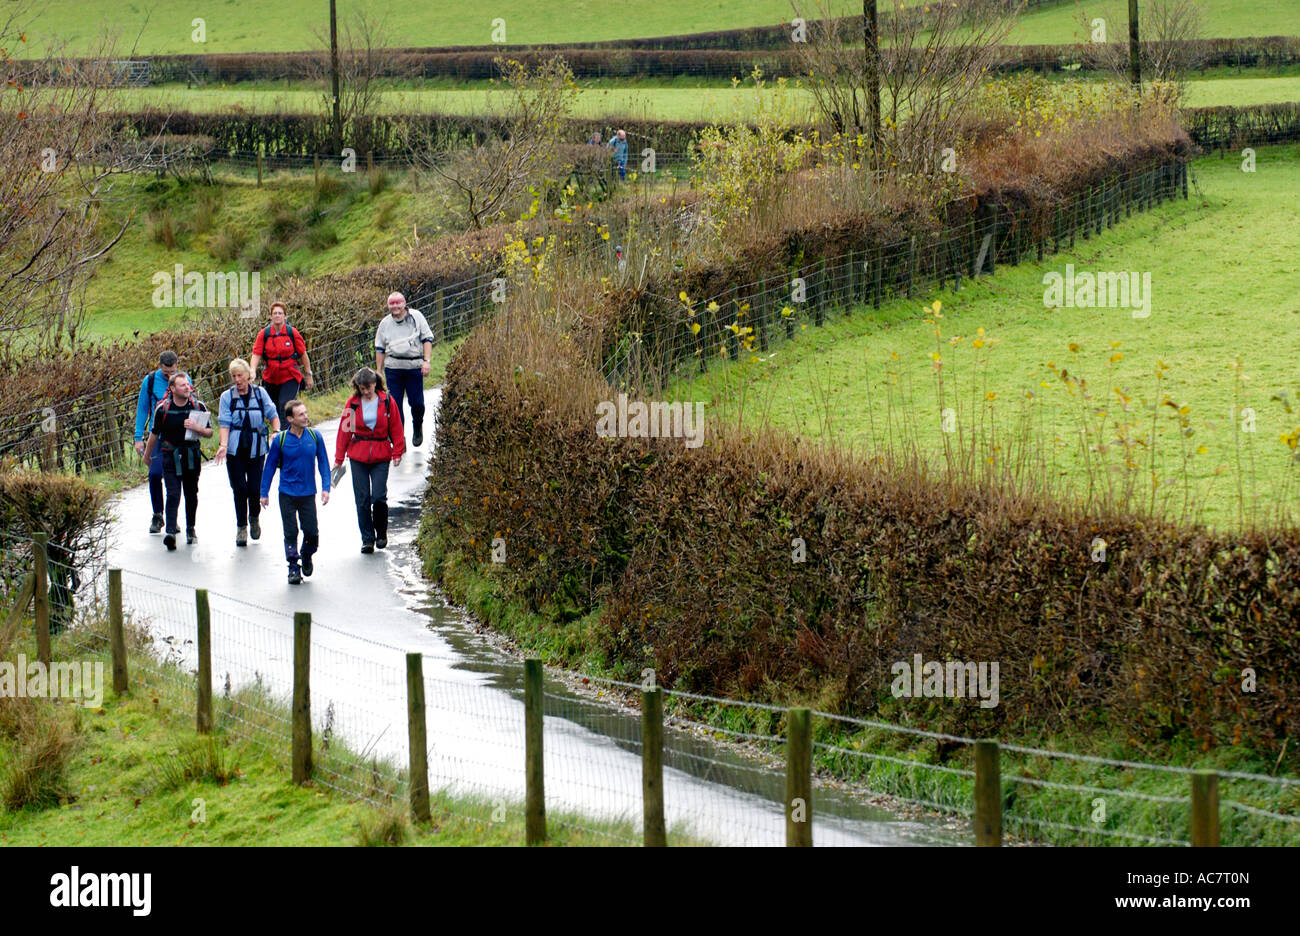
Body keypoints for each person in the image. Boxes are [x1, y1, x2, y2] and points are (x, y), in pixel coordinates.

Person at [260, 399, 331, 585]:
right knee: (290, 532)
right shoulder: (281, 441)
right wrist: (263, 493)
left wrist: (326, 488)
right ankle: (293, 566)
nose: (306, 416)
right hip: (287, 493)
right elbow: (269, 467)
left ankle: (306, 555)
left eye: (306, 413)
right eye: (301, 414)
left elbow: (323, 462)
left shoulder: (315, 437)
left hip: (308, 494)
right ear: (290, 419)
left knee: (312, 534)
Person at [334, 367, 404, 553]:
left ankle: (381, 533)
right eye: (361, 388)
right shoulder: (353, 404)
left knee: (379, 496)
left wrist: (397, 451)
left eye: (368, 388)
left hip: (381, 454)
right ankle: (367, 539)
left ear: (375, 384)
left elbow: (396, 427)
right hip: (358, 456)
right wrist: (339, 459)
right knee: (362, 499)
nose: (365, 392)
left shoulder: (387, 401)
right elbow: (345, 431)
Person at [142, 373, 213, 551]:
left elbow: (210, 432)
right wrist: (147, 455)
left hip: (191, 456)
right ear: (172, 389)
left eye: (188, 385)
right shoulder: (162, 409)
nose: (187, 388)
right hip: (170, 456)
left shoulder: (198, 406)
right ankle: (171, 533)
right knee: (173, 493)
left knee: (191, 493)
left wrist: (197, 428)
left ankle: (190, 529)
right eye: (182, 385)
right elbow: (154, 434)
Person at [214, 358, 280, 547]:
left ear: (248, 375)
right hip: (235, 449)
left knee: (254, 489)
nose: (237, 379)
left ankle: (254, 518)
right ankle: (241, 526)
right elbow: (224, 423)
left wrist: (276, 432)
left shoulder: (260, 394)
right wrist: (224, 445)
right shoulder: (227, 397)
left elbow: (273, 415)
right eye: (234, 376)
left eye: (240, 375)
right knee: (239, 489)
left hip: (257, 448)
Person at [374, 292, 434, 448]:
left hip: (414, 367)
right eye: (391, 304)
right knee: (394, 405)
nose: (395, 306)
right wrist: (379, 372)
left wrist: (426, 361)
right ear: (388, 306)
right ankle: (400, 439)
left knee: (417, 403)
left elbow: (427, 339)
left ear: (404, 303)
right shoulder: (385, 324)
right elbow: (380, 348)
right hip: (393, 368)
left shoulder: (417, 317)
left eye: (398, 303)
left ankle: (417, 426)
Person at [133, 350, 182, 534]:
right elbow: (142, 409)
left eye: (172, 371)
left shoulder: (183, 381)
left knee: (174, 480)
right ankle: (157, 514)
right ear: (160, 366)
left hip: (177, 439)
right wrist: (139, 438)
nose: (169, 375)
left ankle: (171, 518)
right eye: (166, 372)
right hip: (157, 437)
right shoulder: (151, 381)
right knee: (154, 474)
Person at [250, 301, 314, 418]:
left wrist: (308, 374)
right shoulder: (264, 334)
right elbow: (256, 353)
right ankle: (280, 432)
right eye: (275, 313)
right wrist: (252, 371)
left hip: (290, 376)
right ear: (271, 316)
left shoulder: (292, 332)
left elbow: (303, 354)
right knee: (273, 408)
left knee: (285, 406)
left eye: (280, 313)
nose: (277, 315)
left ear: (285, 316)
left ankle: (285, 434)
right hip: (271, 377)